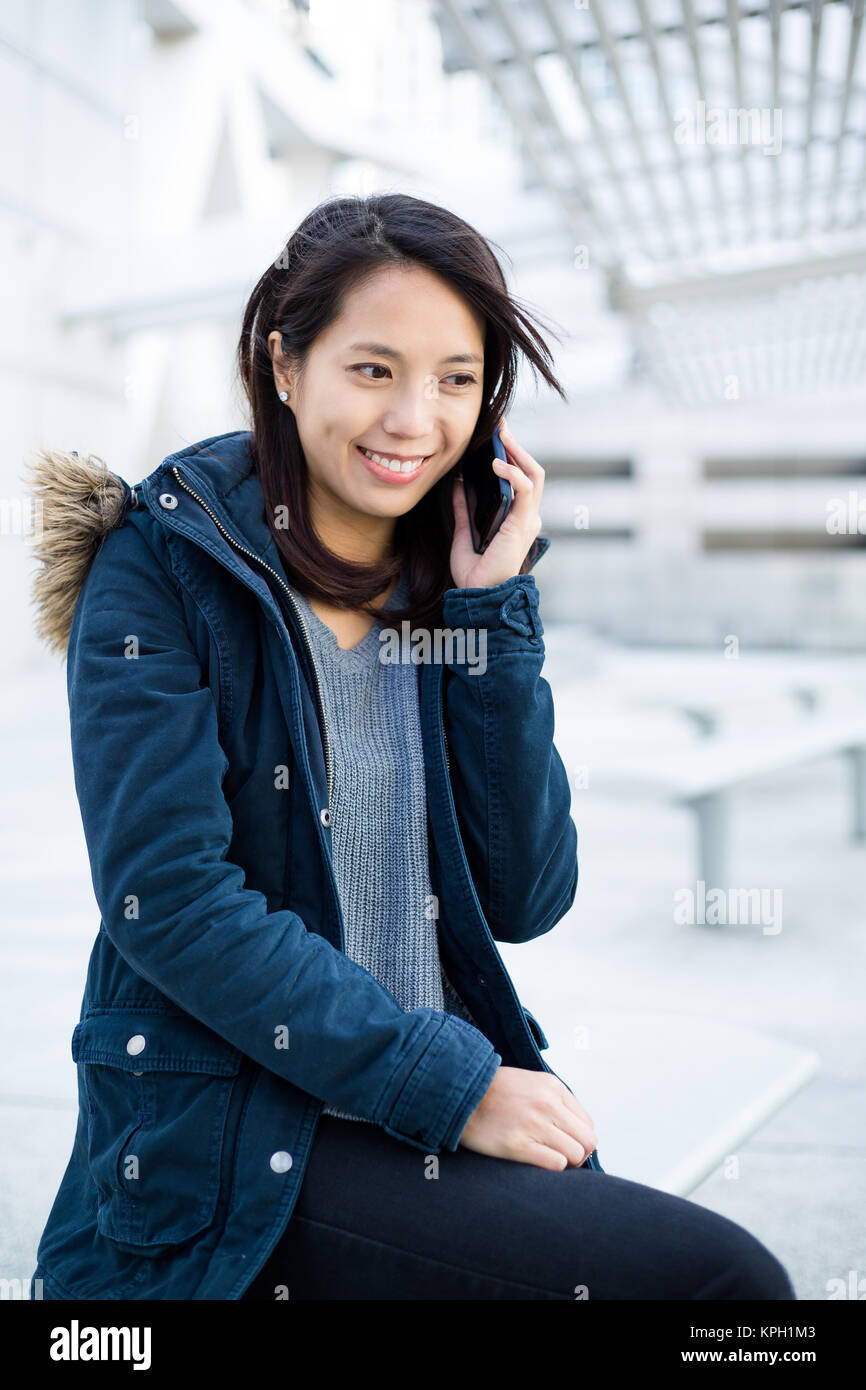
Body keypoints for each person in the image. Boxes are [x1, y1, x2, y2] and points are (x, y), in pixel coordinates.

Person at [27, 192, 795, 1300]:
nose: (414, 420)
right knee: (719, 1286)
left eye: (454, 378)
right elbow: (173, 899)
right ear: (284, 365)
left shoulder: (448, 583)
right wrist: (456, 1086)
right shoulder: (160, 571)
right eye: (373, 369)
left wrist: (492, 620)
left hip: (425, 1110)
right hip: (247, 1134)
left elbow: (525, 894)